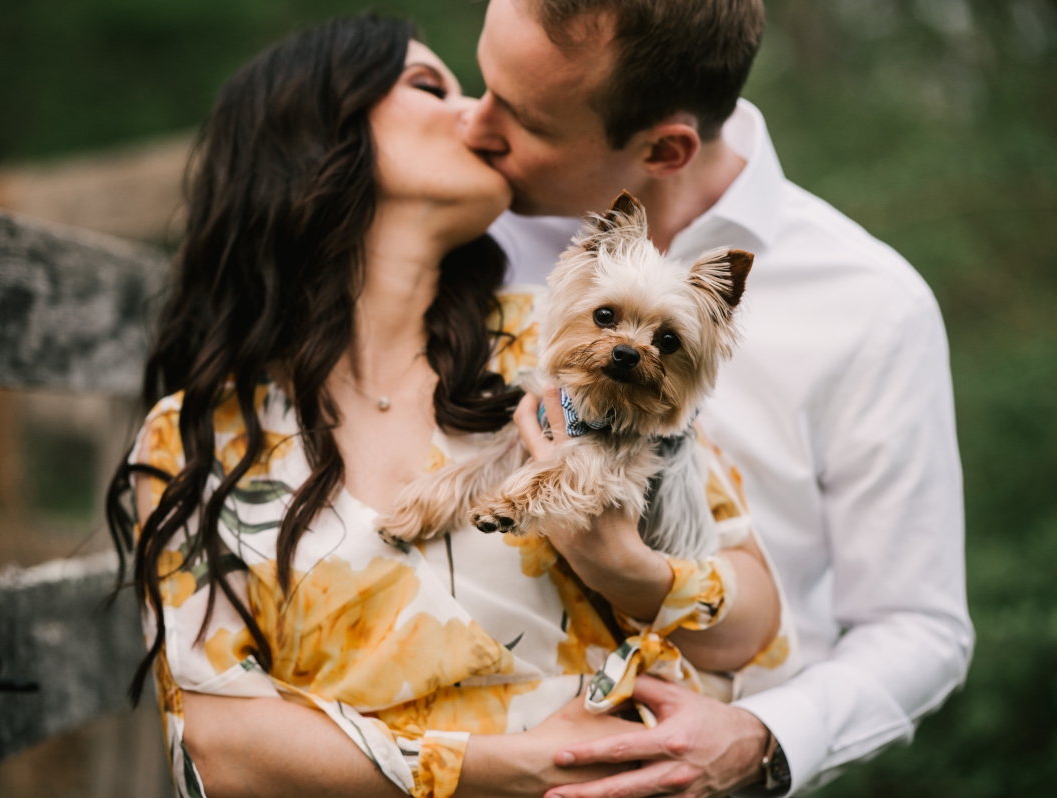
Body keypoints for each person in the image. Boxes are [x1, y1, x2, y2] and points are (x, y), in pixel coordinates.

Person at [108, 15, 796, 798]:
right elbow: (219, 747)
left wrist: (630, 570)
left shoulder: (556, 347)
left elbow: (754, 625)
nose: (477, 115)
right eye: (431, 87)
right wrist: (508, 767)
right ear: (314, 135)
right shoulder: (201, 437)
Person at [466, 1, 974, 796]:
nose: (473, 126)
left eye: (523, 116)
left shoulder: (872, 306)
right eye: (482, 83)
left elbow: (919, 626)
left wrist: (763, 738)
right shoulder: (465, 231)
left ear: (665, 149)